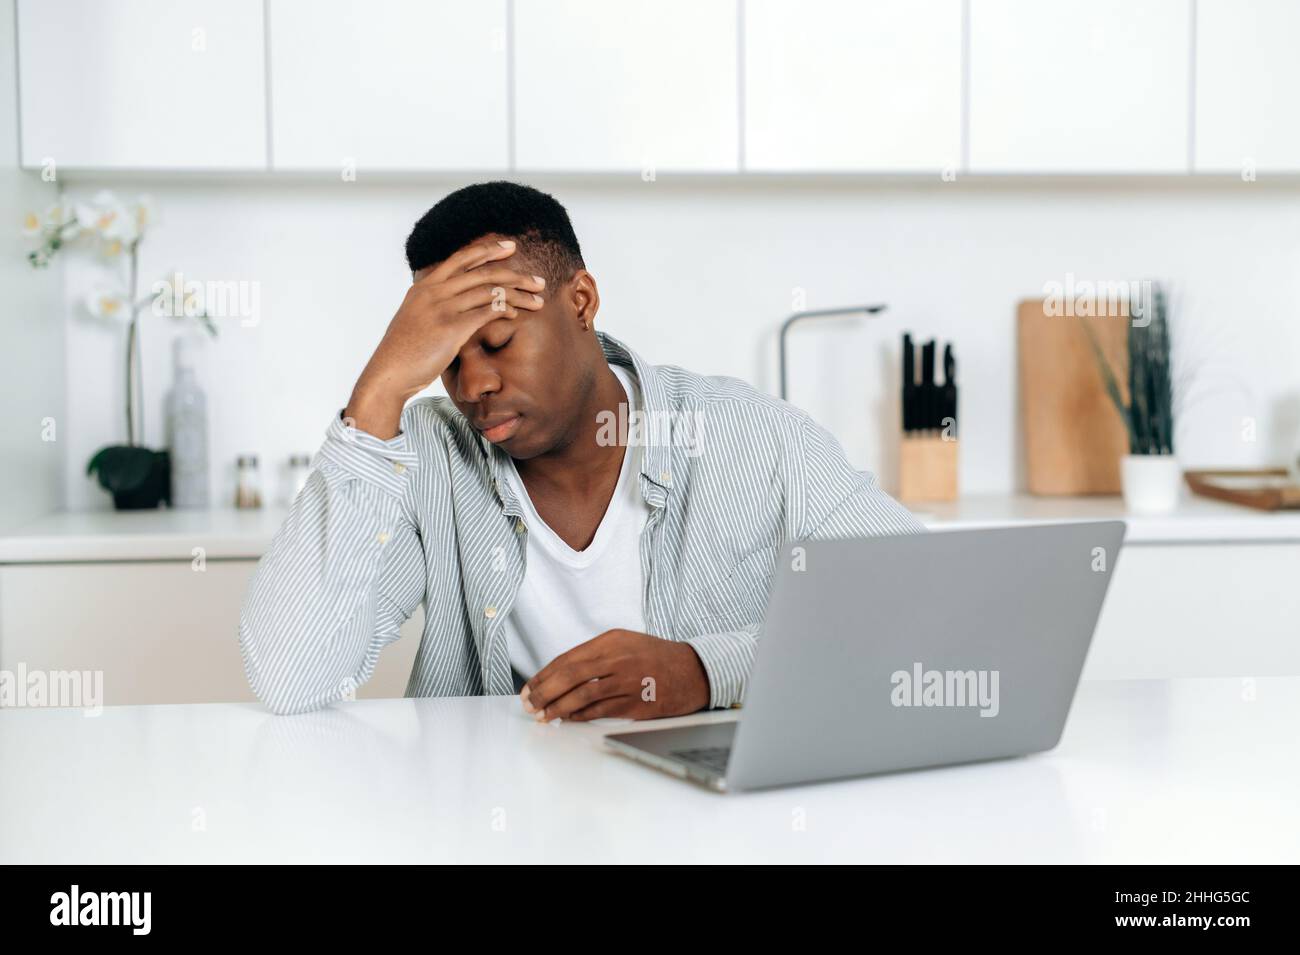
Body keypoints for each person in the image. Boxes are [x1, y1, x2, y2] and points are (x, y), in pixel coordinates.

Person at [239, 181, 924, 720]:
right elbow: (292, 676)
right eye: (448, 358)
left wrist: (705, 671)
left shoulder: (749, 437)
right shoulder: (427, 455)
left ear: (582, 301)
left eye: (500, 341)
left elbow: (919, 605)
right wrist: (379, 392)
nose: (474, 383)